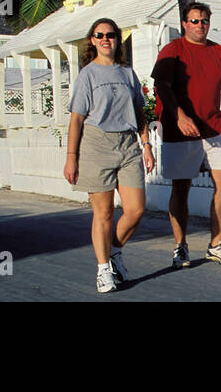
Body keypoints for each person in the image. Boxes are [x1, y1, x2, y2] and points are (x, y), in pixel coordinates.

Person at [152, 1, 221, 269]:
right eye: (194, 21)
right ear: (184, 24)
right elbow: (162, 87)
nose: (200, 25)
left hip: (215, 128)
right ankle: (180, 246)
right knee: (181, 188)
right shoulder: (173, 50)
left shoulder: (219, 52)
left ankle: (216, 244)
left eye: (204, 20)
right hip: (181, 130)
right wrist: (180, 116)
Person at [64, 18, 153, 293]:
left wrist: (146, 144)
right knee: (103, 212)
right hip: (96, 144)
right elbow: (77, 119)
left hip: (128, 144)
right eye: (99, 35)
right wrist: (71, 156)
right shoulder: (87, 75)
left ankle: (114, 252)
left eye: (111, 35)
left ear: (117, 40)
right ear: (92, 40)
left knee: (136, 210)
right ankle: (103, 270)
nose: (106, 39)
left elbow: (139, 112)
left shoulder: (128, 74)